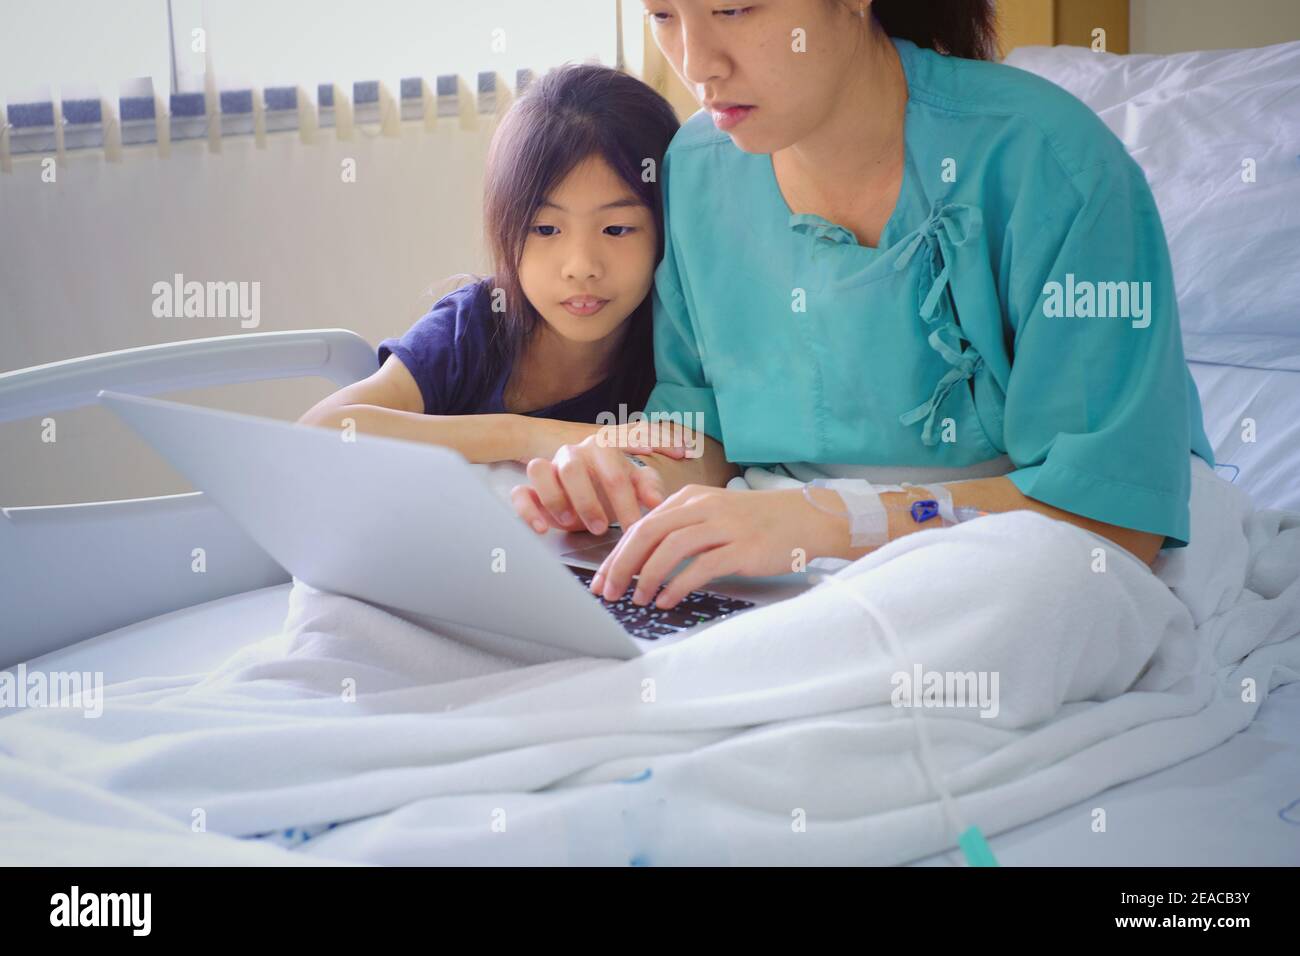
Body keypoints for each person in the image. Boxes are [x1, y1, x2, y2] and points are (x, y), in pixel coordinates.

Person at [510, 0, 1214, 609]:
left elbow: (1112, 519)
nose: (699, 64)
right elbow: (706, 435)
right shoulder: (698, 166)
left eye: (734, 10)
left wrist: (823, 520)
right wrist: (626, 486)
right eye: (663, 15)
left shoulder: (1048, 158)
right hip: (785, 557)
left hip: (1020, 549)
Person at [299, 64, 683, 506]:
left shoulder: (673, 344)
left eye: (616, 229)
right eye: (544, 229)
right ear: (505, 225)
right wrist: (522, 434)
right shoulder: (473, 327)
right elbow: (319, 431)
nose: (581, 267)